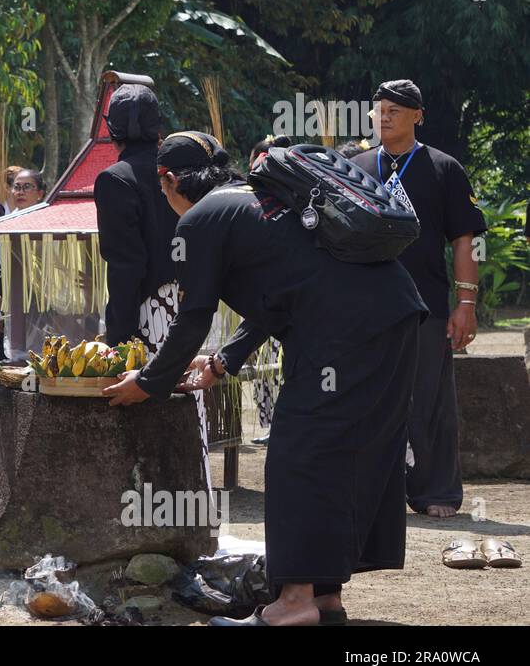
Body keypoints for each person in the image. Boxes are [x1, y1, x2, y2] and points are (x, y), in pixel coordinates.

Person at [104, 131, 427, 626]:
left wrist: (149, 382)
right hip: (393, 315)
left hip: (342, 333)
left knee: (299, 454)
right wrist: (220, 363)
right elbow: (277, 297)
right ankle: (323, 597)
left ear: (167, 180)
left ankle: (293, 602)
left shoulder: (199, 220)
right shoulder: (261, 202)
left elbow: (192, 318)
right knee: (345, 450)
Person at [350, 79, 486, 519]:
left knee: (430, 397)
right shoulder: (354, 167)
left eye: (395, 109)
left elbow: (464, 240)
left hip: (425, 303)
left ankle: (435, 491)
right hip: (365, 307)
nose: (384, 117)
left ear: (417, 116)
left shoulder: (443, 168)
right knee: (366, 397)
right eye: (379, 110)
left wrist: (466, 304)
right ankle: (372, 490)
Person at [93, 85, 176, 352]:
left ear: (112, 132)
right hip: (189, 313)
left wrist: (119, 339)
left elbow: (126, 266)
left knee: (146, 392)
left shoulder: (115, 179)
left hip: (146, 314)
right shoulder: (181, 171)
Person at [243, 135, 292, 446]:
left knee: (285, 367)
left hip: (288, 297)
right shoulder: (247, 200)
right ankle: (269, 422)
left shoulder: (294, 198)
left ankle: (284, 424)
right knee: (263, 369)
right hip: (258, 296)